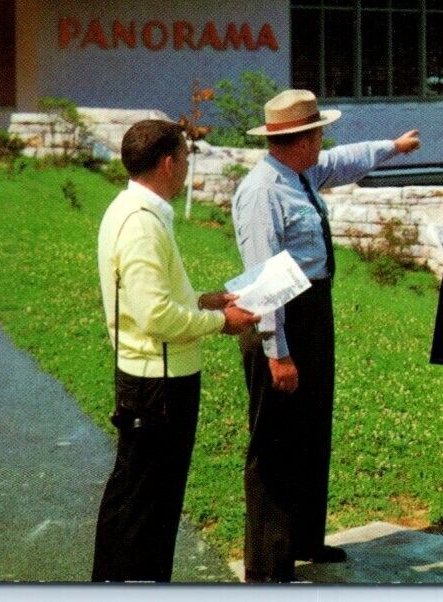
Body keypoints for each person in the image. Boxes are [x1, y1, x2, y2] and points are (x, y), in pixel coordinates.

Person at [231, 89, 420, 583]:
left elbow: (345, 160)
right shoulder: (262, 192)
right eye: (317, 132)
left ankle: (303, 538)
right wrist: (279, 353)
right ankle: (268, 567)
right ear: (300, 138)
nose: (323, 141)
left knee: (312, 427)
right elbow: (261, 280)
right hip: (281, 314)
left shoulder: (302, 172)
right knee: (275, 440)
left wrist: (392, 148)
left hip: (313, 308)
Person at [93, 119, 259, 582]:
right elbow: (156, 317)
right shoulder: (143, 224)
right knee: (149, 506)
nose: (186, 166)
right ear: (168, 163)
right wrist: (220, 321)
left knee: (134, 498)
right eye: (185, 157)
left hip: (150, 377)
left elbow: (152, 297)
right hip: (159, 384)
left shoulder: (130, 210)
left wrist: (203, 300)